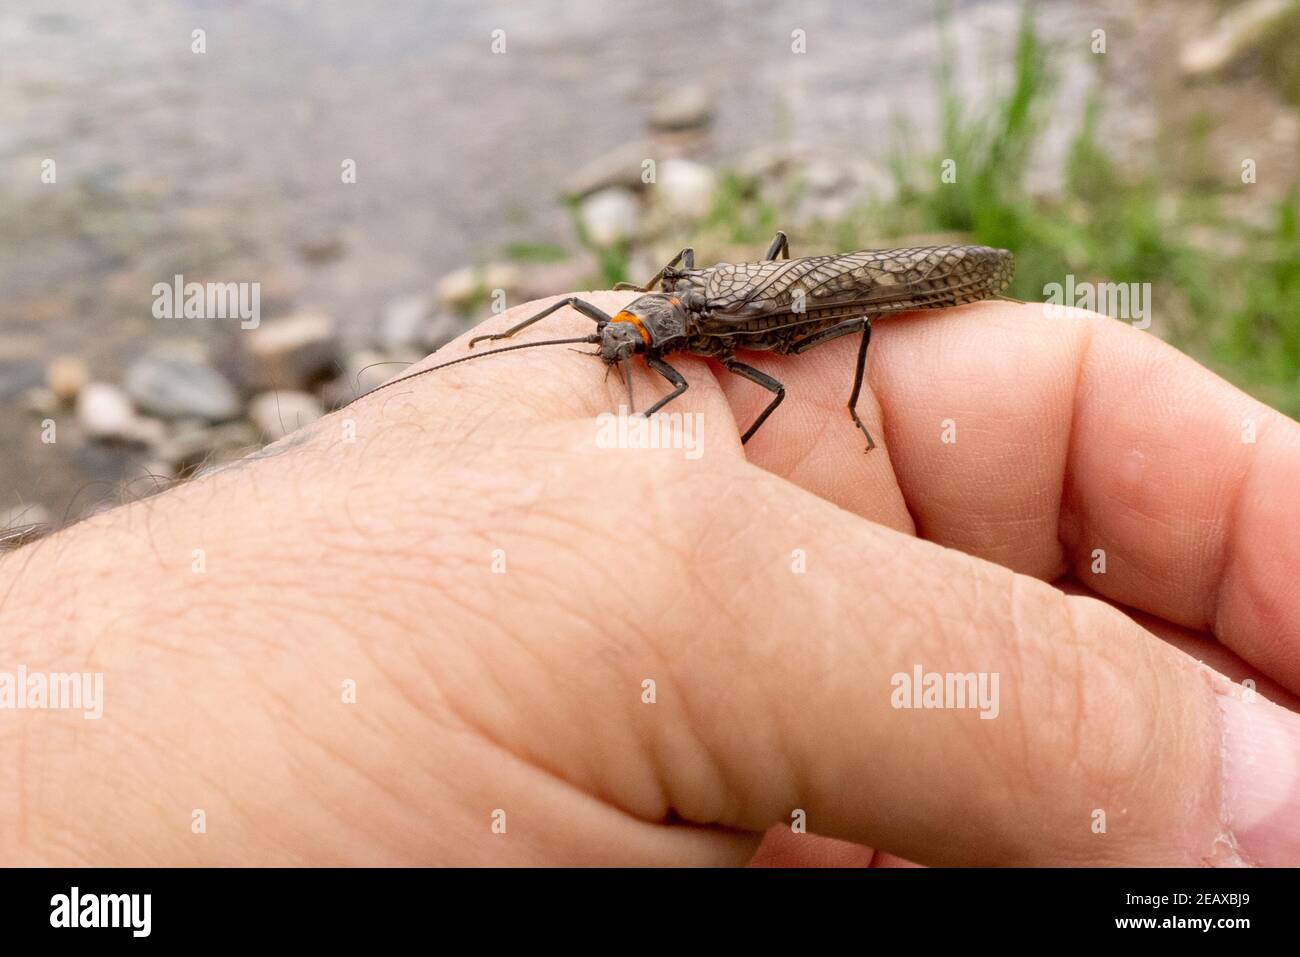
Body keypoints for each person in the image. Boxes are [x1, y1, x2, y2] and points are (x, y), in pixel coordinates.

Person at [2, 292, 1297, 867]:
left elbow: (765, 382)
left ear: (663, 335)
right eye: (626, 342)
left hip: (787, 309)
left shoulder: (711, 347)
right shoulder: (646, 339)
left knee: (842, 329)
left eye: (634, 341)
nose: (625, 348)